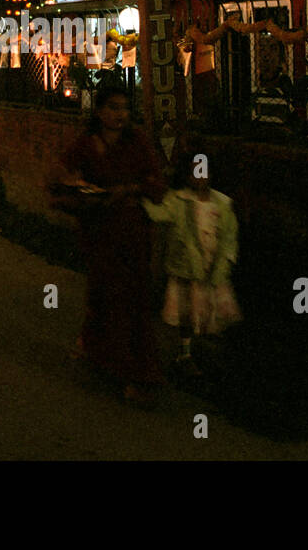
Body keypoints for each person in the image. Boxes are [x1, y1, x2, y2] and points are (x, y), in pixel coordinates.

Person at [49, 85, 167, 406]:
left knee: (133, 302)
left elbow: (156, 181)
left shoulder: (138, 142)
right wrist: (76, 185)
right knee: (105, 296)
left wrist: (128, 189)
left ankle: (138, 373)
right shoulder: (86, 144)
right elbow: (58, 174)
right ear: (99, 111)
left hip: (133, 233)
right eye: (113, 108)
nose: (120, 114)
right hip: (99, 232)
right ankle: (102, 353)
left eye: (125, 108)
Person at [143, 146, 242, 378]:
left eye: (203, 171)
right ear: (187, 175)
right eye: (194, 172)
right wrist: (145, 195)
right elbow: (159, 213)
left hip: (213, 268)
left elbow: (229, 235)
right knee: (187, 313)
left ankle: (211, 355)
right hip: (188, 269)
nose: (200, 176)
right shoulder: (178, 201)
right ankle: (185, 355)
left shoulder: (222, 204)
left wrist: (226, 261)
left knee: (212, 311)